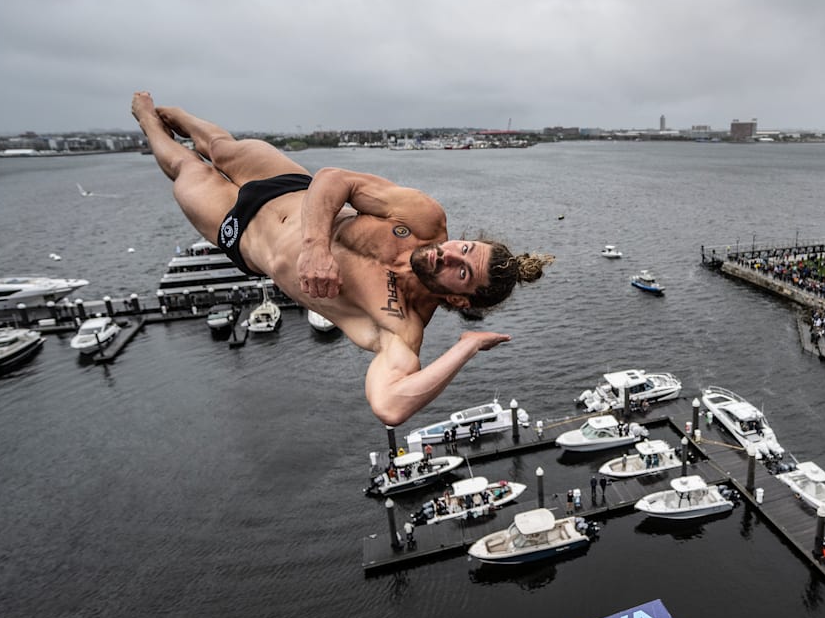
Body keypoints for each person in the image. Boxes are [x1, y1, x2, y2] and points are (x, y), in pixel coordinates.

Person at [133, 92, 552, 427]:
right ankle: (181, 116)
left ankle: (150, 119)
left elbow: (389, 406)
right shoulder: (423, 218)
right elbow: (335, 179)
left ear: (461, 301)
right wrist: (316, 246)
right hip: (289, 186)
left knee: (185, 166)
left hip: (245, 235)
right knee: (221, 148)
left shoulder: (400, 329)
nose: (448, 255)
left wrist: (468, 347)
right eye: (463, 248)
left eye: (461, 272)